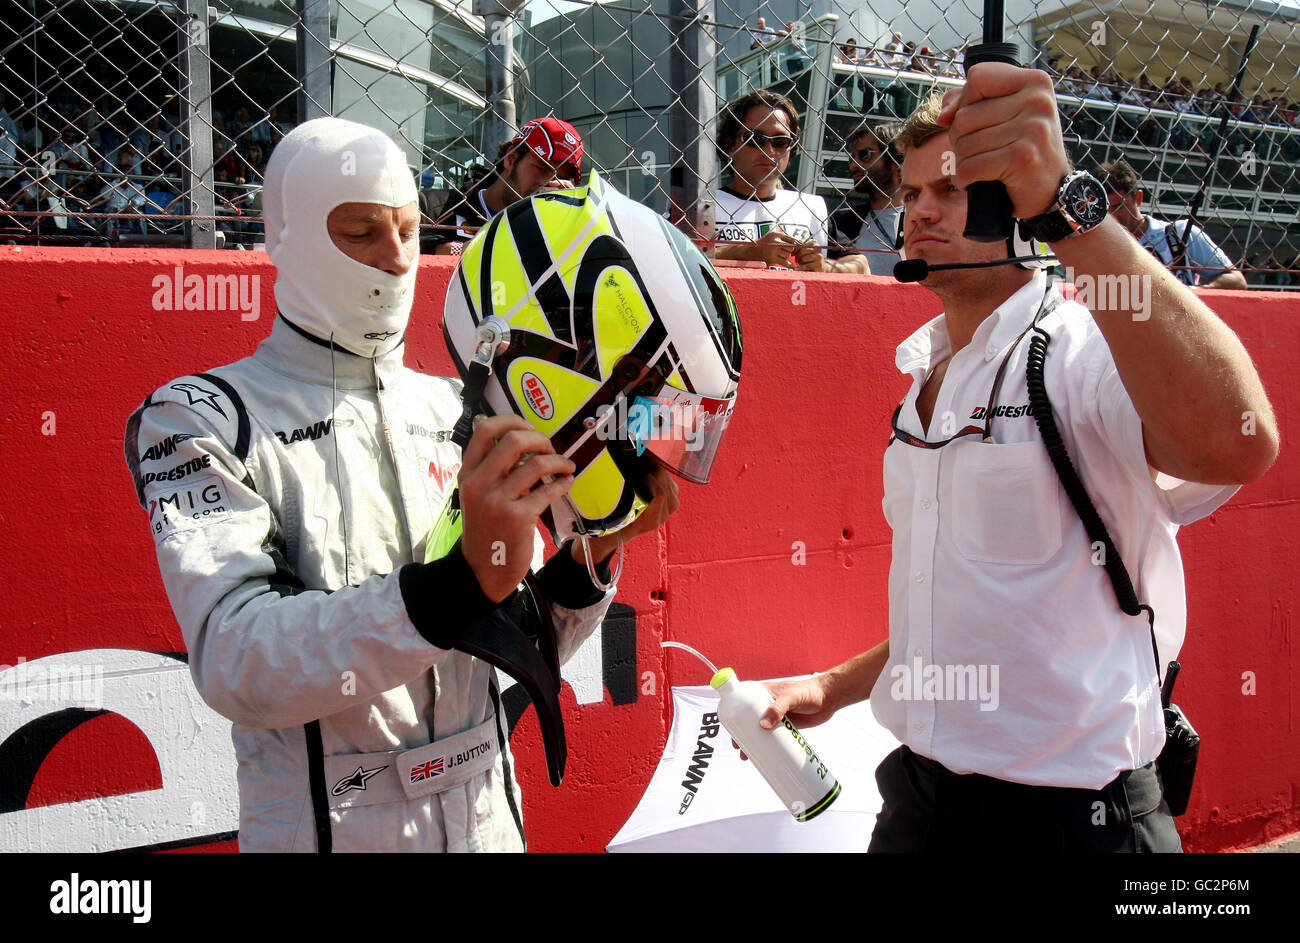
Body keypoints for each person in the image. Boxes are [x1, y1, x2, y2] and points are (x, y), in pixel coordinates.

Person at [123, 118, 734, 853]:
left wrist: (588, 560)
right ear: (284, 233)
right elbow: (236, 658)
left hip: (488, 821)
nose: (393, 257)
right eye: (359, 232)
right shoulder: (204, 417)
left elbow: (506, 642)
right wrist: (455, 585)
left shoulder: (458, 405)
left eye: (410, 230)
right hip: (329, 831)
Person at [758, 78, 1277, 852]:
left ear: (1019, 207)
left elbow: (1240, 441)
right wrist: (835, 687)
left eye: (953, 190)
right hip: (922, 803)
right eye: (910, 192)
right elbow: (964, 615)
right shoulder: (923, 376)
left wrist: (1069, 210)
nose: (919, 211)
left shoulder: (1080, 350)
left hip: (1075, 822)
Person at [424, 116, 583, 254]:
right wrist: (477, 249)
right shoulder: (435, 207)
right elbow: (413, 253)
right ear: (511, 159)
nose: (547, 183)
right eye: (541, 168)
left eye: (560, 178)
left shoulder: (555, 232)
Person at [712, 89, 828, 267]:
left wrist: (825, 266)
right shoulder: (701, 206)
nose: (769, 151)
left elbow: (860, 263)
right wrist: (748, 253)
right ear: (730, 146)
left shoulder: (811, 208)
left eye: (780, 141)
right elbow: (672, 260)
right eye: (755, 138)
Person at [1099, 159, 1248, 289]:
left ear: (1138, 198)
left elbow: (1236, 279)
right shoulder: (1100, 245)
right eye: (1106, 211)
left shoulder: (1180, 233)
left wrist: (1193, 294)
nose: (1113, 217)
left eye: (1119, 206)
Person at [798, 121, 902, 275]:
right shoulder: (841, 222)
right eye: (852, 158)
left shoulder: (926, 218)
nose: (853, 165)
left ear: (894, 160)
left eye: (864, 155)